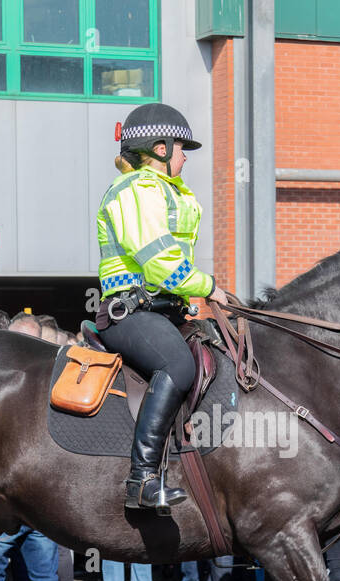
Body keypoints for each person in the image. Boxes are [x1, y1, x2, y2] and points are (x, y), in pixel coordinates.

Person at [95, 102, 228, 510]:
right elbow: (160, 263)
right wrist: (211, 286)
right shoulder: (135, 190)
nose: (186, 156)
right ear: (160, 148)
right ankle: (143, 479)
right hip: (130, 312)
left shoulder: (163, 191)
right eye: (181, 147)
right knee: (179, 366)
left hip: (163, 310)